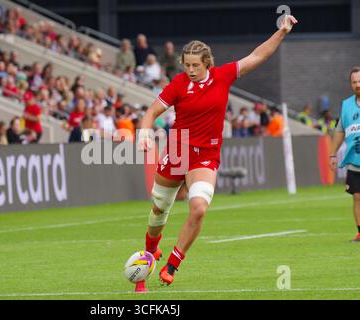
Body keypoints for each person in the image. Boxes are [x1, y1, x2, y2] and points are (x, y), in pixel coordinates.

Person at [137, 15, 298, 287]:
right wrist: (143, 132)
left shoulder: (223, 76)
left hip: (205, 155)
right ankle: (152, 248)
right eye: (186, 65)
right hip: (177, 151)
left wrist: (281, 32)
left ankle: (173, 263)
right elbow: (152, 111)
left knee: (198, 208)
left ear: (207, 64)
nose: (190, 69)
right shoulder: (178, 84)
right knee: (159, 209)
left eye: (195, 65)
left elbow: (258, 55)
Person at [329, 66, 360, 242]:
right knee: (357, 196)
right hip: (355, 160)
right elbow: (340, 131)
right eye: (354, 82)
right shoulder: (347, 105)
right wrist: (332, 154)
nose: (358, 85)